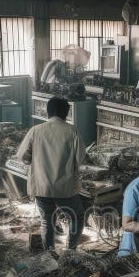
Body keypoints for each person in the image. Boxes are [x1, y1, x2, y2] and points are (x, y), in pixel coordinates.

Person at [16, 96, 86, 250]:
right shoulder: (71, 131)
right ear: (66, 113)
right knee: (77, 217)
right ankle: (70, 250)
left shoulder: (36, 130)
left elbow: (21, 155)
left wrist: (32, 160)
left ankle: (49, 254)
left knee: (46, 221)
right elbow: (81, 159)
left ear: (48, 112)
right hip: (65, 188)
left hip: (42, 186)